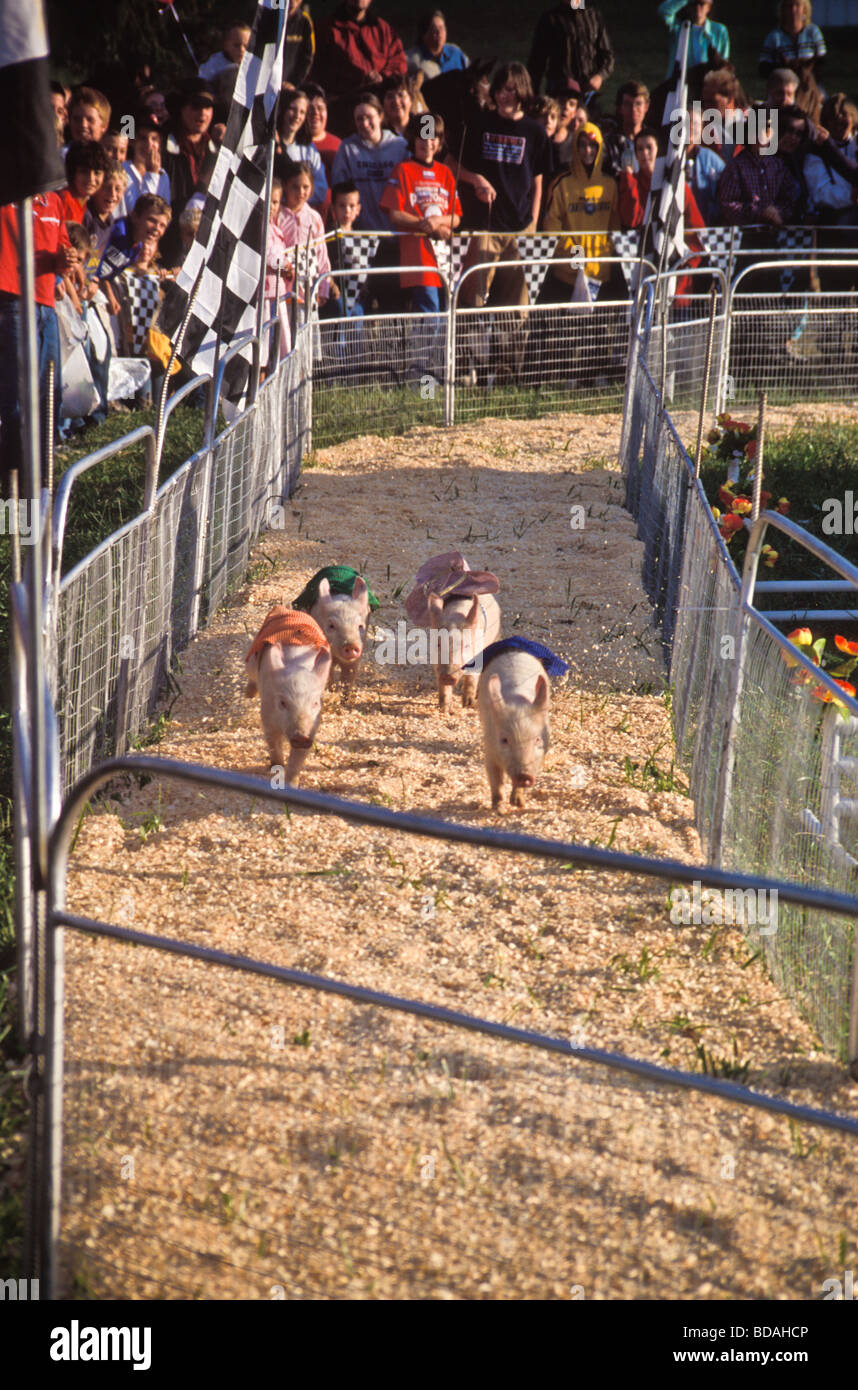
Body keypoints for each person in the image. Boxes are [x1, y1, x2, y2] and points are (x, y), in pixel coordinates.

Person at [454, 62, 552, 386]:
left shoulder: (536, 132)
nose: (503, 94)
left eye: (510, 89)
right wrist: (477, 178)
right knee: (474, 297)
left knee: (516, 308)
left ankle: (508, 373)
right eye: (499, 89)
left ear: (523, 91)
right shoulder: (480, 123)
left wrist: (534, 225)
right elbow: (452, 163)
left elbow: (539, 181)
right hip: (485, 226)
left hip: (521, 227)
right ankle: (467, 368)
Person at [527, 120, 623, 388]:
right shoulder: (562, 184)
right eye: (582, 145)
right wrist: (573, 250)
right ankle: (563, 378)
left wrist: (605, 254)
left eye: (593, 145)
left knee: (597, 330)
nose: (588, 151)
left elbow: (615, 227)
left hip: (598, 273)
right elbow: (552, 226)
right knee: (567, 330)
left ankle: (593, 378)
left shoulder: (610, 185)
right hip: (568, 272)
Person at [380, 111, 461, 375]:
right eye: (422, 138)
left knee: (442, 315)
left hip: (445, 259)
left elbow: (456, 216)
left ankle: (430, 372)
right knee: (430, 314)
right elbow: (394, 212)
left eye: (433, 138)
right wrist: (421, 224)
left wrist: (440, 223)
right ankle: (421, 375)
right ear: (414, 140)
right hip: (417, 256)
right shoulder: (403, 170)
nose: (427, 143)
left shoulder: (446, 173)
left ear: (439, 142)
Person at [0, 195, 74, 485]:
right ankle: (14, 478)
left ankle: (42, 474)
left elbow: (62, 252)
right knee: (19, 393)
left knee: (49, 392)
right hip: (13, 300)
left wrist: (65, 260)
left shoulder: (54, 200)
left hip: (46, 304)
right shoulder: (8, 188)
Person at [315, 0, 408, 136]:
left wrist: (383, 76)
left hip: (383, 110)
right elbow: (317, 71)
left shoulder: (383, 29)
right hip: (344, 114)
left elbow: (399, 62)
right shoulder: (326, 29)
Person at [162, 81, 219, 264]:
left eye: (207, 107)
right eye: (195, 106)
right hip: (169, 246)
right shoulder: (162, 143)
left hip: (208, 249)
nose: (202, 113)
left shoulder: (218, 149)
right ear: (182, 109)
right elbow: (125, 119)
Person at [527, 2, 614, 110]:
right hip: (560, 94)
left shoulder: (594, 17)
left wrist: (600, 76)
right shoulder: (550, 19)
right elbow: (536, 63)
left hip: (588, 95)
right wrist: (532, 96)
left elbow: (607, 56)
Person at [760, 0, 827, 127]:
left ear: (804, 9)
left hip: (809, 82)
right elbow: (763, 67)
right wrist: (783, 67)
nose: (793, 10)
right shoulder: (774, 36)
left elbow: (821, 62)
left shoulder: (813, 32)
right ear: (782, 10)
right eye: (789, 6)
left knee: (824, 106)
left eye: (797, 5)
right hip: (783, 84)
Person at [657, 1, 729, 97]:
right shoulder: (677, 27)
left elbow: (723, 63)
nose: (697, 8)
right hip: (679, 88)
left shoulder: (719, 30)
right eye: (693, 4)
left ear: (709, 7)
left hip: (706, 90)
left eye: (702, 4)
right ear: (687, 7)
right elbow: (664, 11)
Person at [276, 90, 329, 213]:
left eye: (302, 112)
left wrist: (296, 199)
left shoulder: (309, 149)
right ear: (283, 110)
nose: (296, 116)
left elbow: (321, 190)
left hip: (301, 216)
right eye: (292, 109)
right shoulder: (269, 145)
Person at [120, 117, 171, 218]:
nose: (148, 144)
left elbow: (166, 216)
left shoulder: (163, 175)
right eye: (143, 138)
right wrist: (151, 175)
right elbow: (141, 216)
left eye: (154, 139)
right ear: (133, 141)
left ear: (159, 144)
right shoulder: (122, 170)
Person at [601, 81, 650, 178]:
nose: (633, 109)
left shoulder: (653, 141)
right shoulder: (609, 142)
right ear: (620, 108)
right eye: (628, 104)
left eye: (638, 104)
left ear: (646, 107)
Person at [83, 159, 129, 256]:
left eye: (118, 189)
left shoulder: (110, 220)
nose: (112, 194)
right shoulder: (86, 216)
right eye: (106, 187)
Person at [406, 11, 469, 81]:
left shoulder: (456, 54)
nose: (439, 33)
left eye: (441, 28)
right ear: (424, 34)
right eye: (434, 29)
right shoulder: (410, 59)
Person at [304, 83, 341, 191]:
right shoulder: (294, 145)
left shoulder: (339, 145)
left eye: (320, 108)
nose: (315, 113)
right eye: (310, 109)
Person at [60, 142, 110, 223]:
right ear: (73, 172)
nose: (91, 178)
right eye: (84, 172)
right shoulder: (64, 202)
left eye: (97, 173)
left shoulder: (83, 204)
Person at [283, 0, 316, 88]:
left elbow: (308, 57)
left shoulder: (305, 21)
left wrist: (293, 83)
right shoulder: (268, 16)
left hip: (290, 87)